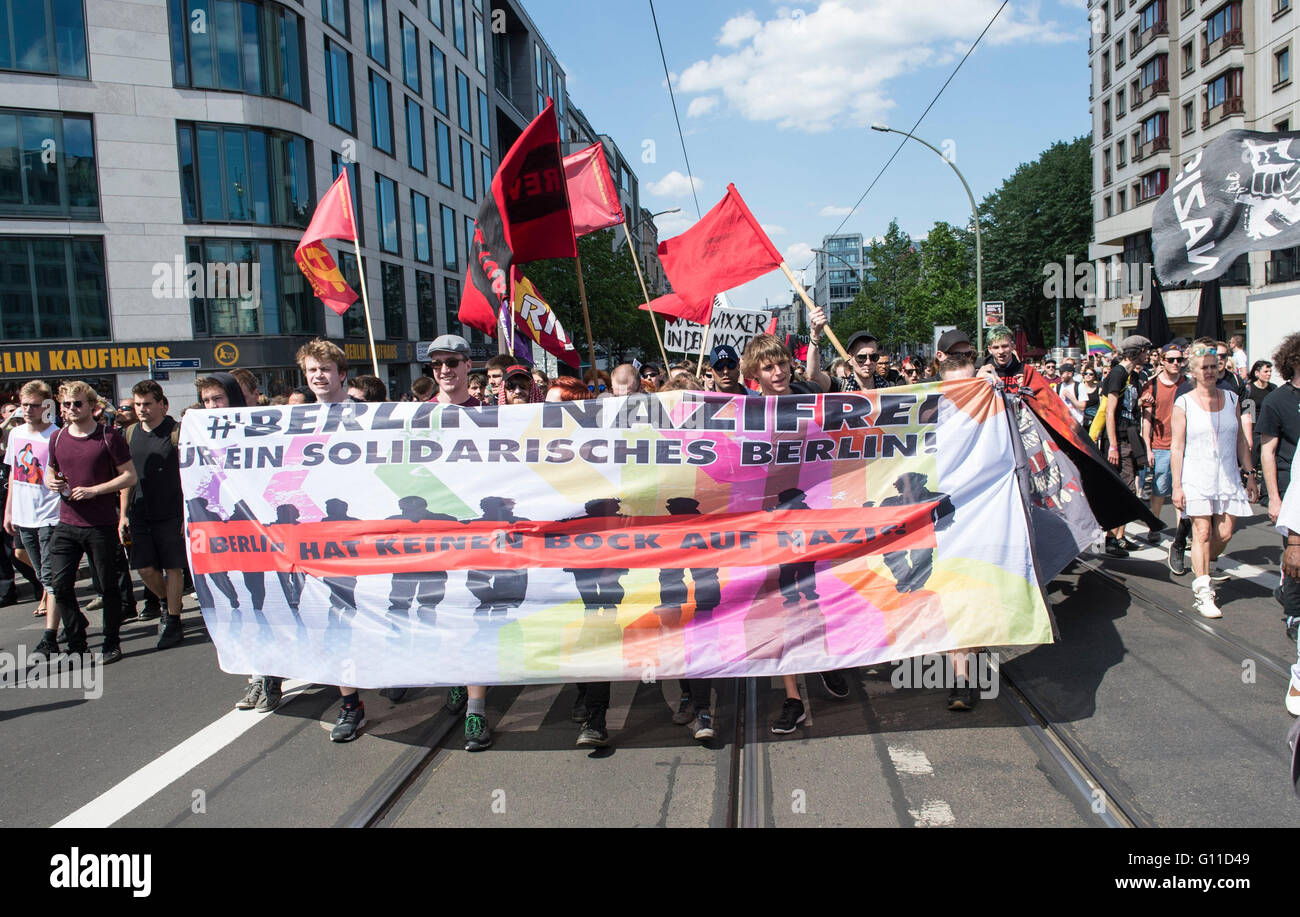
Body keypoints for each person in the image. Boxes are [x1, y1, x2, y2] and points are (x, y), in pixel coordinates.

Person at [739, 312, 849, 733]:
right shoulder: (744, 409)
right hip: (769, 519)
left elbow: (822, 383)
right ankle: (792, 697)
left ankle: (824, 659)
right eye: (768, 367)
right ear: (754, 374)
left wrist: (817, 336)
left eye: (782, 362)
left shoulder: (804, 389)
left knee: (818, 590)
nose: (778, 371)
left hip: (814, 510)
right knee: (779, 598)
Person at [44, 380, 138, 663]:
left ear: (92, 406)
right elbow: (52, 470)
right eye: (67, 405)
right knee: (59, 586)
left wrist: (95, 490)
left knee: (107, 587)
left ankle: (111, 642)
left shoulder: (109, 437)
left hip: (100, 525)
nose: (71, 409)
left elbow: (129, 476)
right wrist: (51, 480)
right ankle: (76, 642)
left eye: (78, 404)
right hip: (67, 522)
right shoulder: (57, 438)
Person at [1171, 343, 1257, 618]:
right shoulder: (1183, 403)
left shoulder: (1232, 398)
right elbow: (1177, 447)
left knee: (1225, 533)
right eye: (1203, 368)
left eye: (1213, 366)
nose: (1209, 371)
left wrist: (1250, 473)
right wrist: (1177, 485)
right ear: (1193, 372)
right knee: (1203, 533)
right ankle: (1203, 592)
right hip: (1196, 475)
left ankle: (1203, 563)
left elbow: (1241, 439)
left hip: (1227, 477)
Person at [120, 380, 188, 650]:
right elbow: (127, 477)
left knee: (174, 568)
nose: (142, 409)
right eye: (138, 404)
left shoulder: (177, 433)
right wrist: (123, 513)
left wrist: (187, 512)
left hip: (171, 511)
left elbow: (190, 475)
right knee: (145, 568)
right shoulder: (130, 433)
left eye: (147, 404)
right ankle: (166, 601)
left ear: (162, 404)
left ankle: (173, 620)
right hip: (139, 510)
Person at [4, 381, 63, 654]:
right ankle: (73, 615)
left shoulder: (56, 436)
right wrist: (9, 510)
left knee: (50, 578)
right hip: (24, 515)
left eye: (34, 405)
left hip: (51, 515)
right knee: (41, 574)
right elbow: (15, 474)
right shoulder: (15, 433)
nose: (28, 409)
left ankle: (49, 636)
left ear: (46, 406)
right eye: (24, 404)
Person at [1262, 333, 1300, 645]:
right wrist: (1274, 497)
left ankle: (1286, 590)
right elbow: (1268, 451)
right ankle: (1295, 613)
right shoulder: (1276, 401)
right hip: (1292, 487)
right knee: (1295, 552)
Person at [1100, 334, 1153, 557]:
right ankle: (1112, 538)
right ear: (1138, 351)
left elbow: (1125, 405)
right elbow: (1110, 411)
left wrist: (1140, 402)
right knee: (1126, 489)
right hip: (1119, 439)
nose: (1149, 354)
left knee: (1130, 487)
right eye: (1146, 350)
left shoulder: (1132, 376)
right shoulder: (1118, 374)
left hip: (1130, 436)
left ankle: (1120, 536)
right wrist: (1112, 445)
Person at [1140, 345, 1184, 551]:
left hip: (1185, 446)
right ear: (1162, 361)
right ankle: (1154, 525)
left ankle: (1181, 533)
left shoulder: (1188, 384)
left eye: (1179, 360)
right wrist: (1148, 448)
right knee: (1159, 489)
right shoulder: (1152, 385)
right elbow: (1146, 422)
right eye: (1171, 360)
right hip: (1161, 446)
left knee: (1183, 491)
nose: (1176, 363)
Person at [1243, 360, 1278, 501]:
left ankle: (1265, 493)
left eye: (1270, 371)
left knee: (1269, 459)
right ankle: (1247, 485)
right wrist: (1248, 435)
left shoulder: (1273, 389)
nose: (1269, 374)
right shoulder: (1249, 389)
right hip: (1254, 428)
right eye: (1266, 371)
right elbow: (1247, 412)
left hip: (1268, 428)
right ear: (1257, 373)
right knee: (1253, 460)